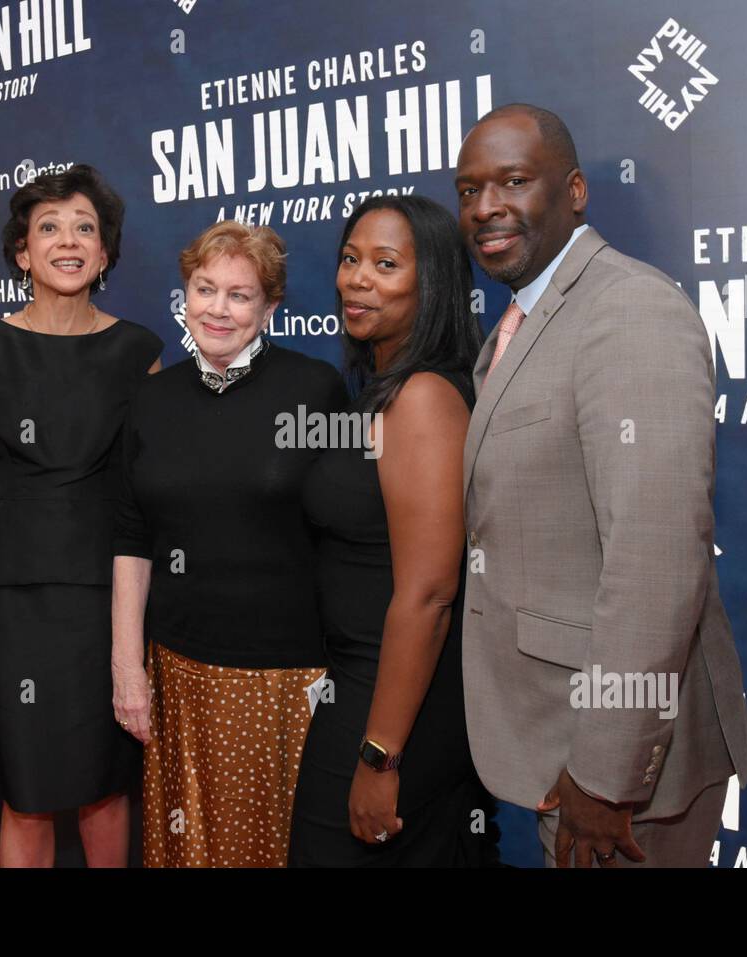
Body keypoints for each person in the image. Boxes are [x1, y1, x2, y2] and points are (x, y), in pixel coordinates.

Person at [454, 104, 747, 868]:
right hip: (553, 739)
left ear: (576, 190)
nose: (485, 206)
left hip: (620, 777)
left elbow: (655, 562)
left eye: (513, 181)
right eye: (468, 189)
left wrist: (608, 773)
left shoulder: (628, 310)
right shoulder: (521, 324)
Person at [0, 164, 162, 867]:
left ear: (105, 253)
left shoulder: (139, 354)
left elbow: (138, 489)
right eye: (49, 227)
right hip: (10, 591)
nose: (68, 240)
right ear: (22, 252)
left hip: (102, 593)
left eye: (85, 228)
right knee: (25, 791)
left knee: (103, 785)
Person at [111, 220, 347, 867]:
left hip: (280, 673)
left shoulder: (314, 389)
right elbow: (132, 537)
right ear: (184, 292)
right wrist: (127, 666)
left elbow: (345, 536)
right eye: (204, 288)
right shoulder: (152, 399)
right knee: (188, 846)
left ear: (270, 307)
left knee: (267, 850)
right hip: (177, 668)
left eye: (239, 295)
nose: (217, 308)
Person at [288, 195, 497, 867]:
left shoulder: (424, 399)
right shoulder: (385, 386)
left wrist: (380, 756)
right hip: (370, 685)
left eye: (385, 264)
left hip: (393, 702)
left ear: (431, 282)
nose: (357, 278)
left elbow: (431, 594)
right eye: (350, 259)